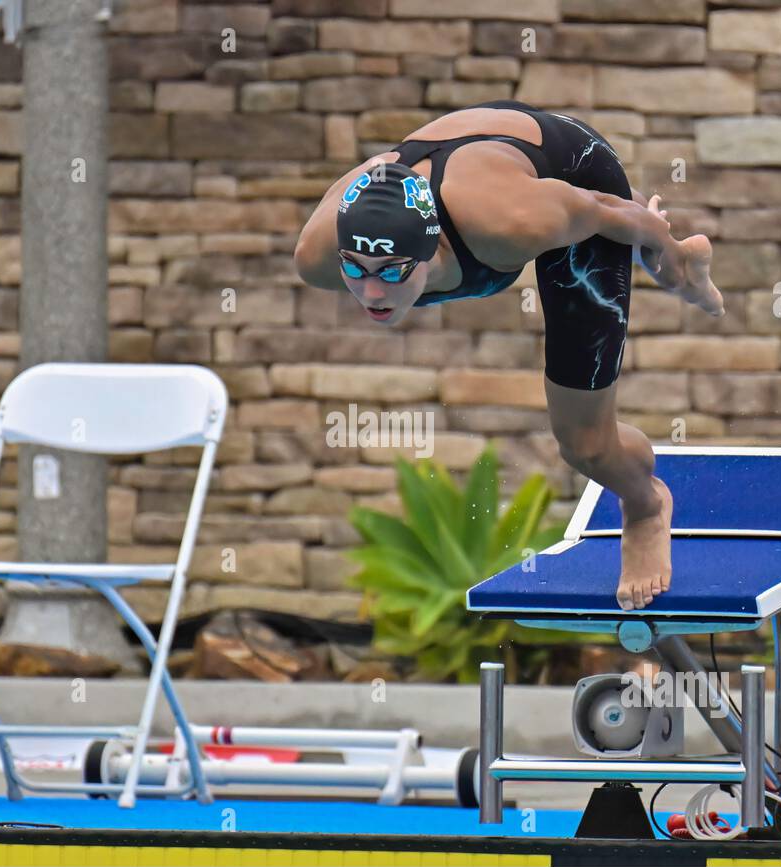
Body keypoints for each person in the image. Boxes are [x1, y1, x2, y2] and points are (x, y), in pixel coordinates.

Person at [294, 100, 724, 613]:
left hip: (567, 169)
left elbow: (601, 210)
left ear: (431, 252)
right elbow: (359, 254)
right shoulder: (319, 255)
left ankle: (646, 504)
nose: (370, 292)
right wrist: (374, 267)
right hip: (495, 168)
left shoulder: (508, 224)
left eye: (391, 272)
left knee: (585, 444)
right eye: (356, 269)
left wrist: (667, 254)